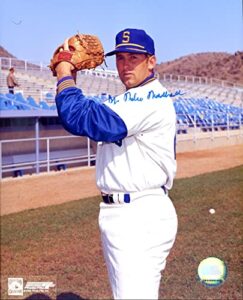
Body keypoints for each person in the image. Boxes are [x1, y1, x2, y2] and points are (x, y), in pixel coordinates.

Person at [53, 28, 178, 299]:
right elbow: (88, 112)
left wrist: (65, 72)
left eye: (133, 57)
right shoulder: (129, 99)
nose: (125, 65)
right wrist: (71, 77)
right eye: (120, 58)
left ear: (151, 61)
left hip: (138, 214)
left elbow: (81, 118)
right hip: (126, 212)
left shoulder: (150, 99)